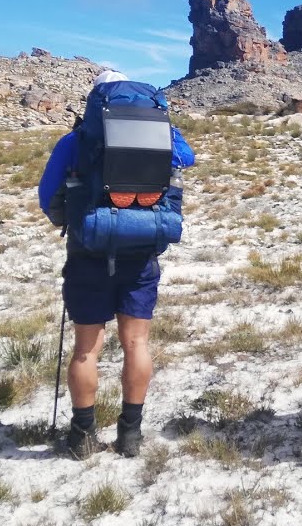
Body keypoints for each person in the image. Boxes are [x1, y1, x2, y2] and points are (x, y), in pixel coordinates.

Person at [37, 69, 194, 458]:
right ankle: (130, 434)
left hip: (88, 252)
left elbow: (47, 196)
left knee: (86, 350)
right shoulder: (163, 133)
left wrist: (69, 218)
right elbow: (186, 158)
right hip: (141, 252)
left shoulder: (77, 140)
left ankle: (82, 436)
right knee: (137, 343)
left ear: (97, 101)